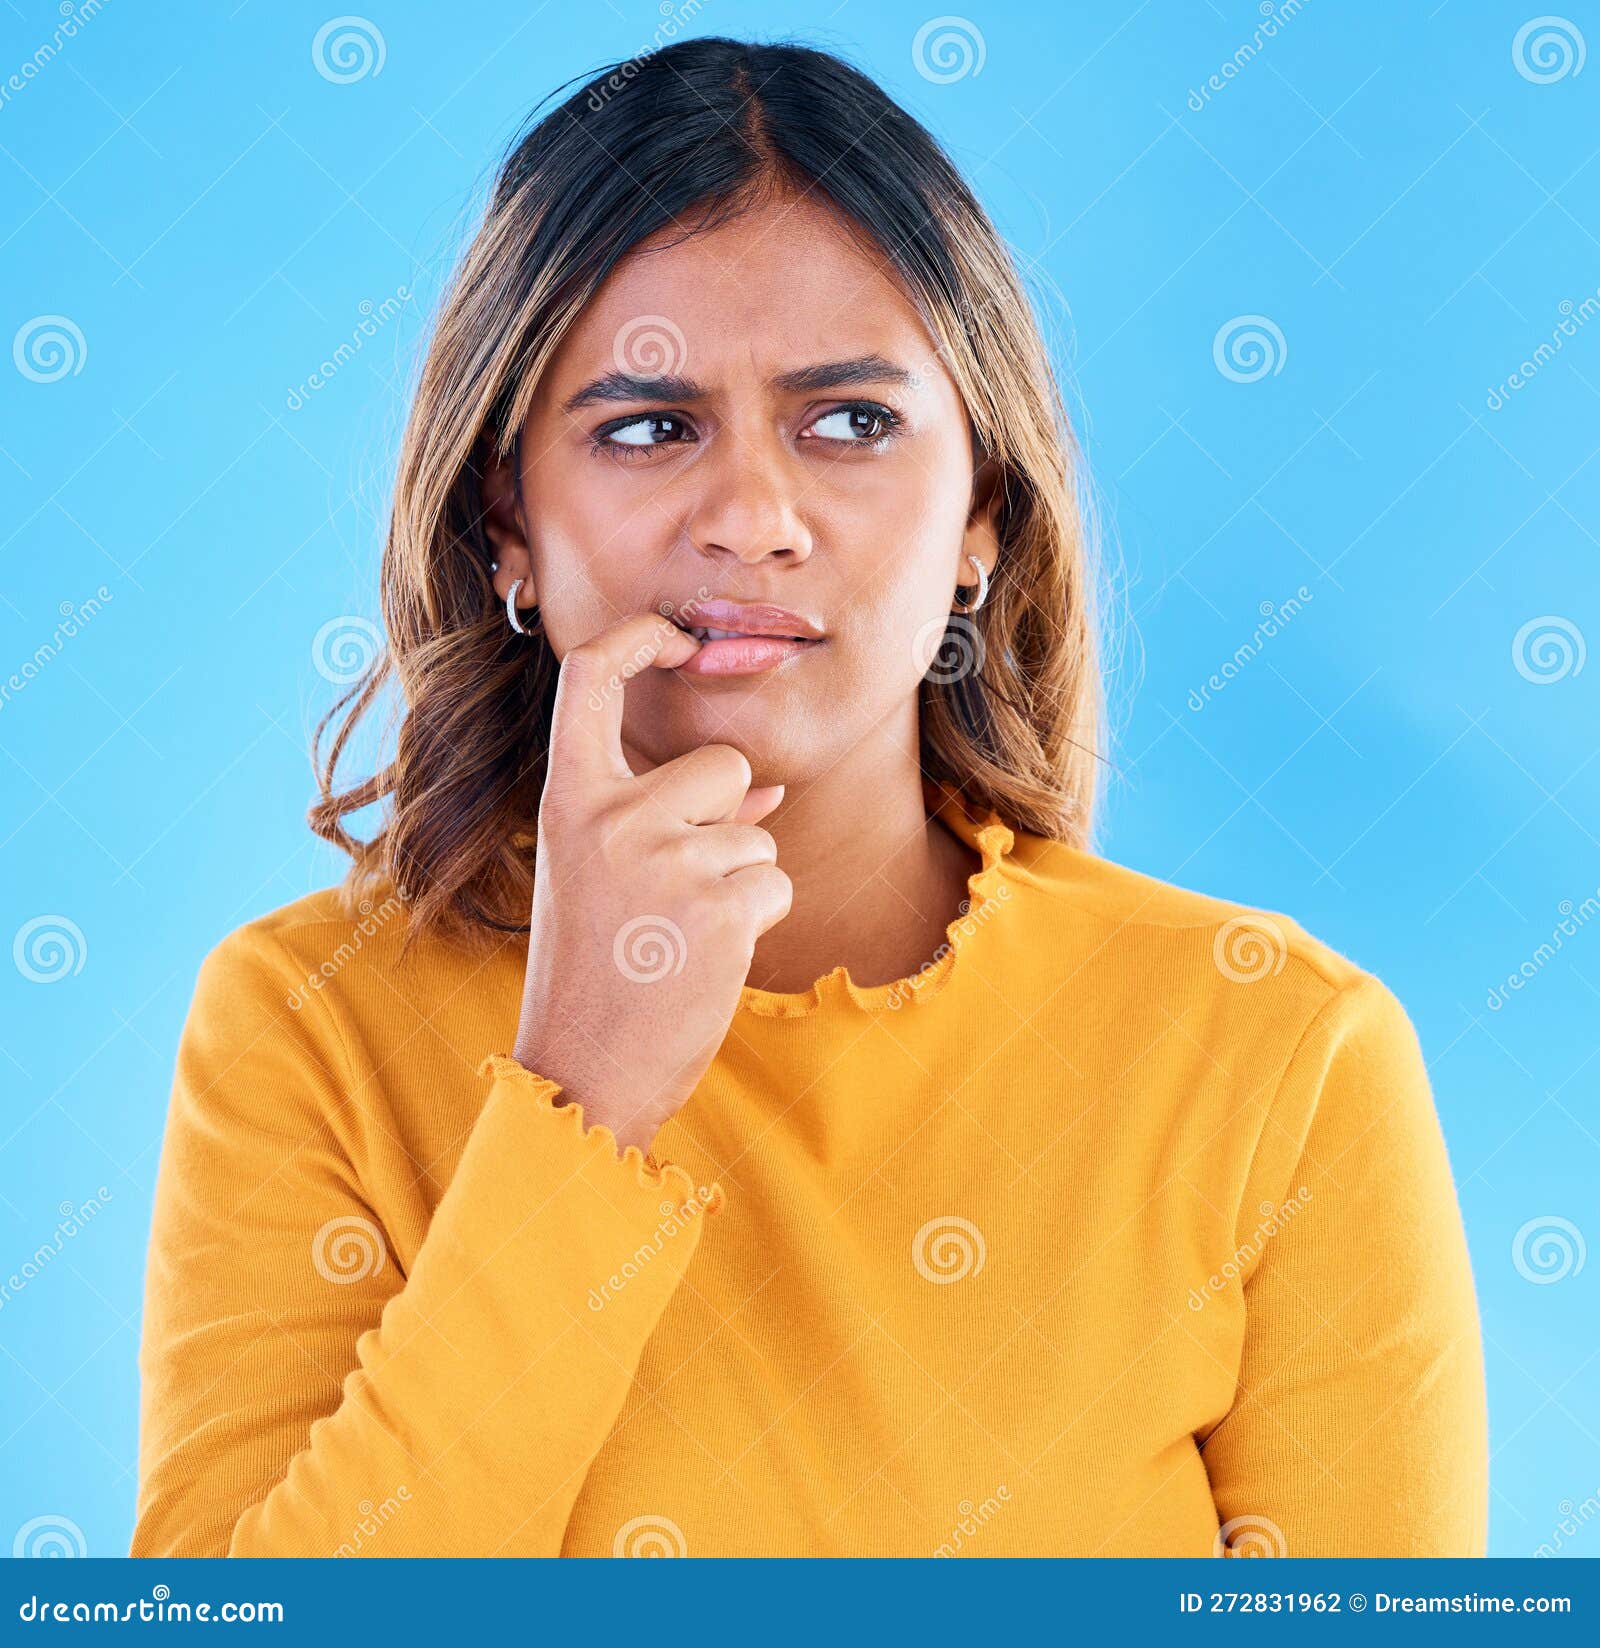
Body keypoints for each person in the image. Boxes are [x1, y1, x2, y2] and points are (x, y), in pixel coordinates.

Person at [130, 36, 1487, 1558]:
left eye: (850, 422)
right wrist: (579, 1098)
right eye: (648, 425)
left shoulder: (1281, 1052)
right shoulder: (304, 1026)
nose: (754, 520)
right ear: (508, 516)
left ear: (980, 514)